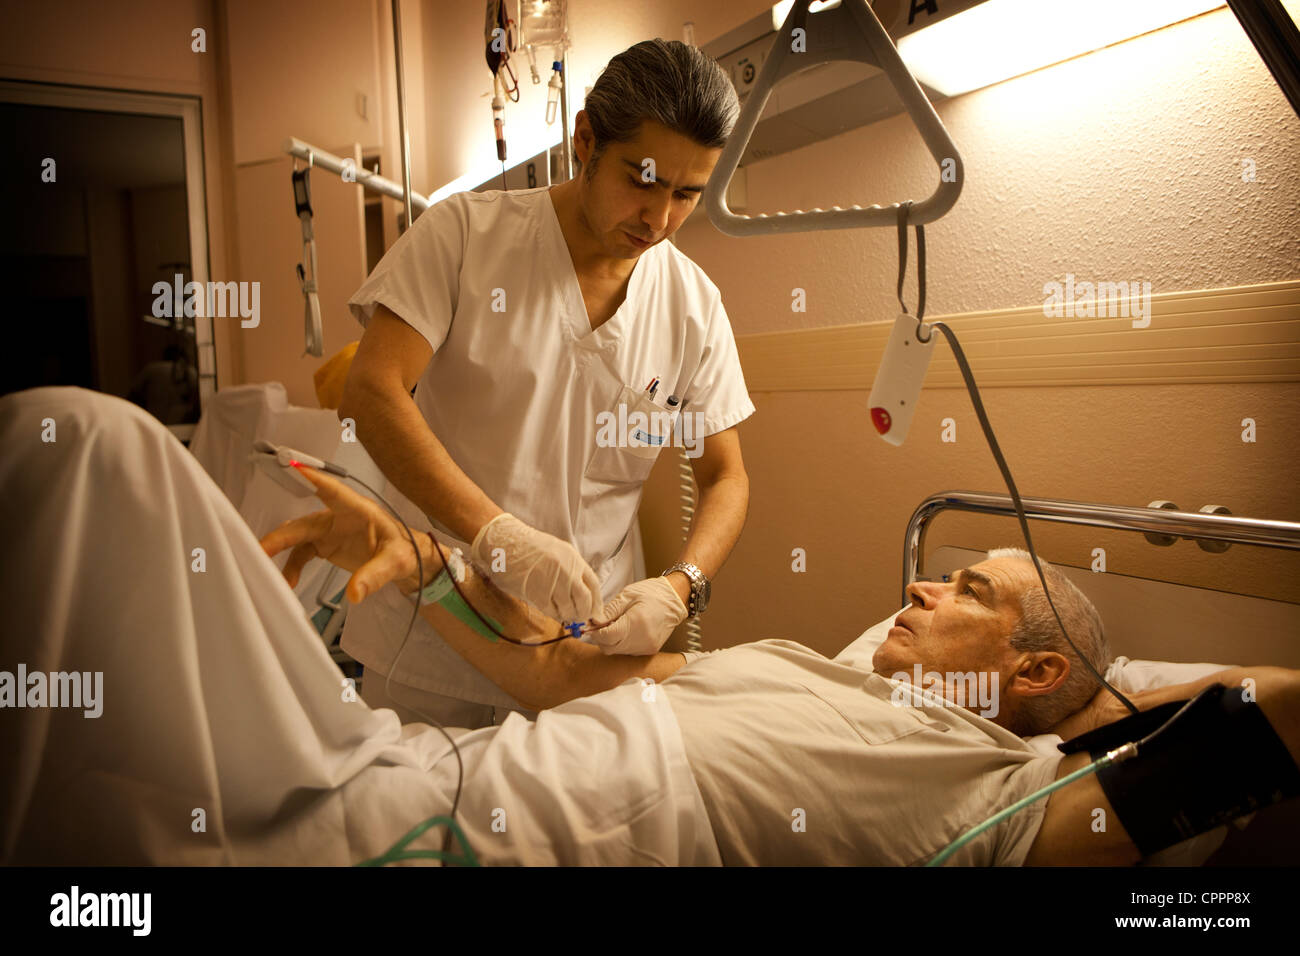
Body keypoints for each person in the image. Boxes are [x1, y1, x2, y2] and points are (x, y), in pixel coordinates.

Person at [6, 388, 1298, 866]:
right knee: (92, 453)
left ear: (1034, 663)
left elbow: (1256, 717)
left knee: (83, 454)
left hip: (427, 842)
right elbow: (550, 678)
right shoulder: (797, 663)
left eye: (970, 592)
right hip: (399, 762)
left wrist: (1106, 704)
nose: (919, 590)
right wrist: (420, 562)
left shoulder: (993, 797)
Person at [336, 38, 754, 730]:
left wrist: (682, 587)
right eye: (642, 180)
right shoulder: (463, 236)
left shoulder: (693, 305)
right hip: (438, 627)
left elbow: (725, 476)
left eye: (686, 194)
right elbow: (371, 393)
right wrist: (495, 533)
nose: (659, 219)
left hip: (585, 657)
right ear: (586, 140)